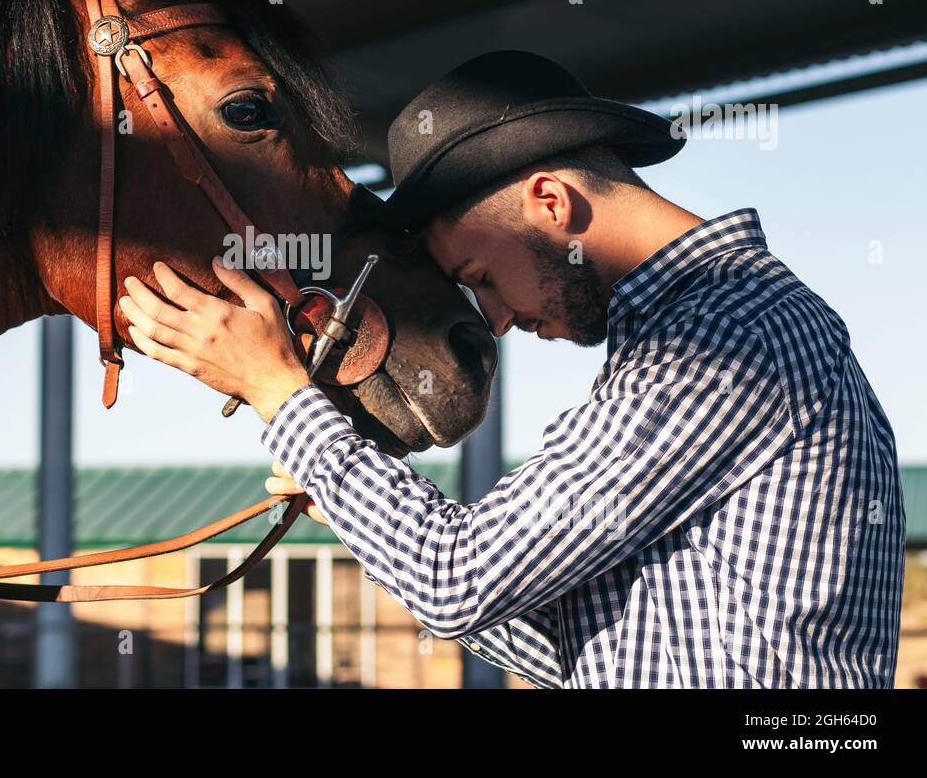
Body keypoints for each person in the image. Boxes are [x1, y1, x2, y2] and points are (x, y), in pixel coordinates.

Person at [119, 50, 904, 688]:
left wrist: (277, 389)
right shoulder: (699, 335)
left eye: (482, 276)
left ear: (552, 204)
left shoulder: (723, 339)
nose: (495, 319)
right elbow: (579, 651)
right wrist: (360, 511)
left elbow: (459, 580)